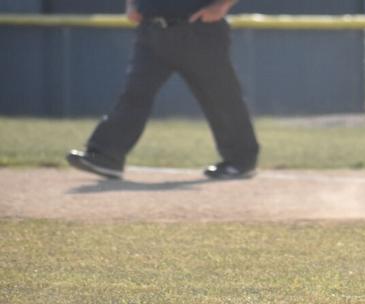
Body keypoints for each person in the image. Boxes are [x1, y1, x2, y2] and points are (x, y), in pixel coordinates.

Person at [65, 0, 260, 181]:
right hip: (152, 30)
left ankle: (241, 160)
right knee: (134, 93)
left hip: (198, 30)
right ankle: (106, 156)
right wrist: (131, 4)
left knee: (221, 97)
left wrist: (222, 5)